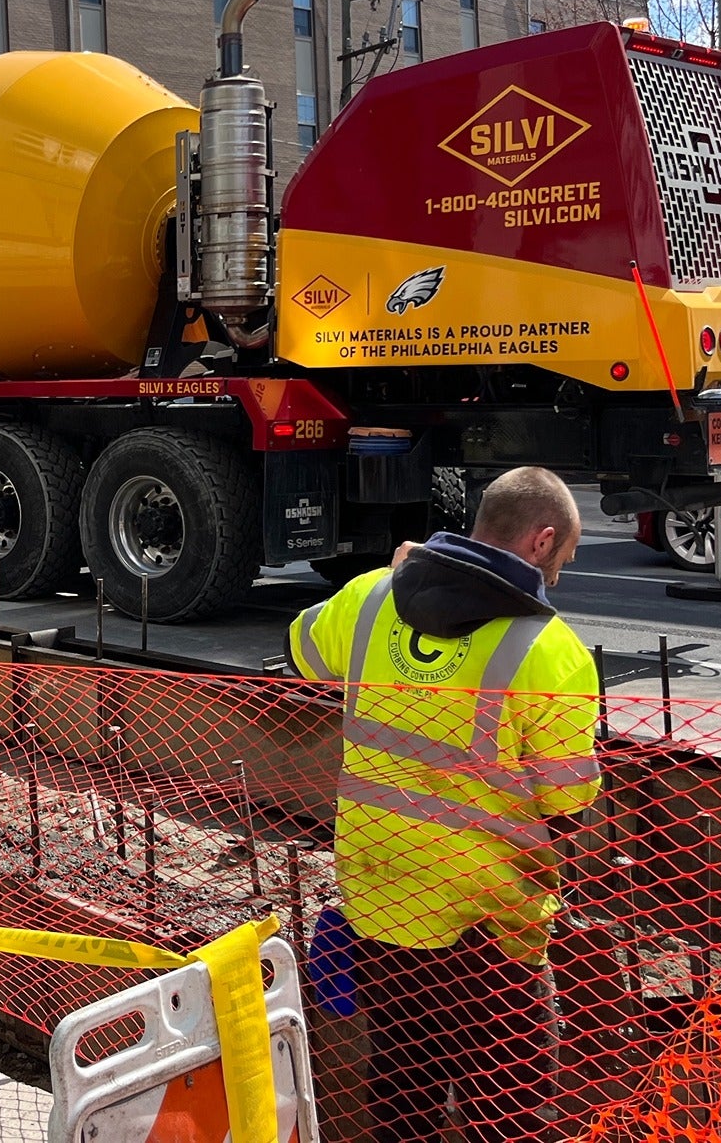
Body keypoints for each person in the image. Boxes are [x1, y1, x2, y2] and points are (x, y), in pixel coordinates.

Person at [287, 467, 601, 1143]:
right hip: (488, 923)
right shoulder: (551, 652)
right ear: (542, 541)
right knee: (510, 1105)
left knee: (404, 1085)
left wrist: (390, 578)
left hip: (380, 896)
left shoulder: (371, 599)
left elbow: (302, 648)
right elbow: (567, 802)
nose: (562, 574)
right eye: (567, 557)